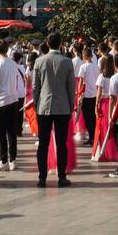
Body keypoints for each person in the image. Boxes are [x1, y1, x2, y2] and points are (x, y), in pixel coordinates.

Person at [31, 32, 76, 188]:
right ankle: (62, 176)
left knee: (43, 144)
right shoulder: (67, 62)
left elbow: (35, 88)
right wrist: (71, 106)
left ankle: (42, 178)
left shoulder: (39, 62)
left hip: (44, 106)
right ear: (61, 43)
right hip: (63, 107)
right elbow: (71, 88)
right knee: (61, 143)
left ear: (47, 43)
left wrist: (36, 105)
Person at [0, 40, 22, 172]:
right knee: (12, 133)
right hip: (13, 100)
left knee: (2, 133)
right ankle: (13, 160)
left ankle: (4, 161)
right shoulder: (14, 64)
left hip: (1, 102)